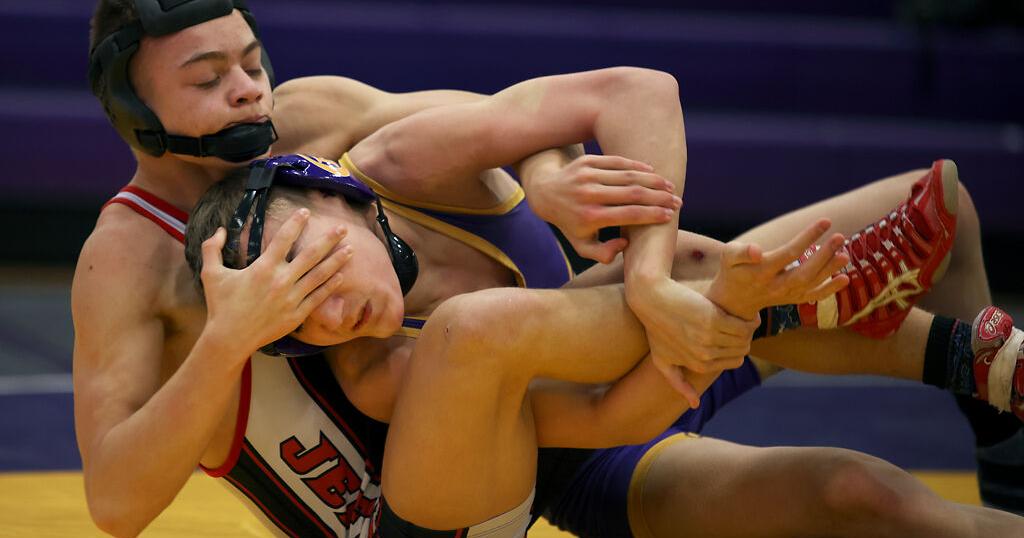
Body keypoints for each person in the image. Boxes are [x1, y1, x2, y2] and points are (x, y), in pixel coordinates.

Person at [75, 1, 1020, 536]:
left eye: (251, 60)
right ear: (135, 114)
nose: (249, 90)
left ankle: (980, 404)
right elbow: (115, 502)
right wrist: (230, 337)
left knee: (935, 227)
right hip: (442, 492)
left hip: (588, 395)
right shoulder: (133, 260)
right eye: (208, 80)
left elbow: (535, 113)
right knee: (481, 330)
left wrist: (552, 180)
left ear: (344, 196)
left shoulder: (332, 132)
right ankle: (770, 309)